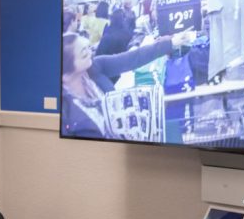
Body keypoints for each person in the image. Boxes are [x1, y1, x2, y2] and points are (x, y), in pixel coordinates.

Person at [61, 30, 192, 138]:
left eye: (88, 48)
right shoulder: (65, 111)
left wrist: (170, 43)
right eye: (83, 52)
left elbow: (132, 58)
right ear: (66, 71)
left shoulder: (95, 66)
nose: (89, 53)